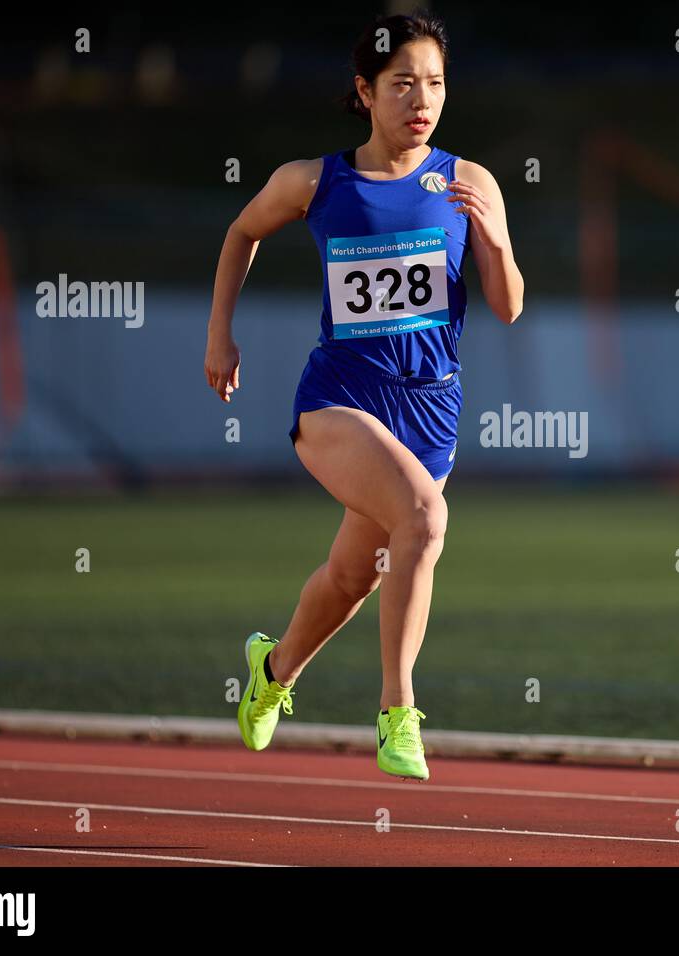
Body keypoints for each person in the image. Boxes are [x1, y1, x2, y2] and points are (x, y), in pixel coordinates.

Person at [204, 10, 523, 780]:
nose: (423, 99)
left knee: (356, 576)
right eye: (403, 83)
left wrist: (495, 239)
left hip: (431, 413)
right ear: (365, 91)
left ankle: (271, 673)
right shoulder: (315, 182)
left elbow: (508, 306)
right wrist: (220, 335)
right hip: (340, 400)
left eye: (437, 83)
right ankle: (396, 711)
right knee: (424, 516)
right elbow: (241, 232)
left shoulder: (469, 181)